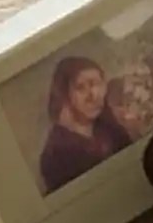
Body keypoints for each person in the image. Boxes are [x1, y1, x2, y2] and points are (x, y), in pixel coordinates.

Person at [39, 56, 132, 194]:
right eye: (80, 88)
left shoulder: (111, 128)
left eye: (95, 84)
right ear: (65, 96)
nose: (92, 96)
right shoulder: (56, 155)